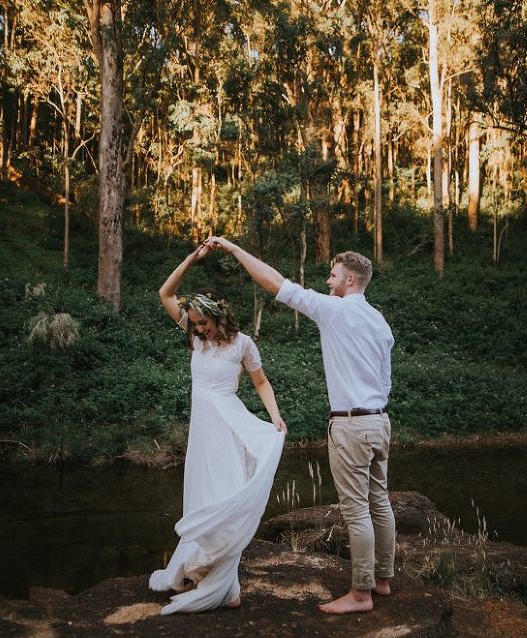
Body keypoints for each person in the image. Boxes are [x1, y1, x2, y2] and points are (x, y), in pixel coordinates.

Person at [205, 237, 394, 615]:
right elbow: (385, 380)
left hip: (351, 426)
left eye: (333, 275)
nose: (328, 282)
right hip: (379, 421)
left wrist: (236, 250)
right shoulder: (380, 321)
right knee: (380, 501)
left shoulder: (336, 311)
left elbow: (276, 284)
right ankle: (382, 580)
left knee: (356, 510)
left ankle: (361, 594)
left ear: (351, 281)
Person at [149, 244, 287, 615]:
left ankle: (228, 586)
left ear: (218, 315)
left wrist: (274, 417)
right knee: (201, 501)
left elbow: (261, 382)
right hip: (201, 437)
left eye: (201, 321)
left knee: (225, 504)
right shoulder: (195, 338)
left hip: (228, 431)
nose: (197, 327)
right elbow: (165, 293)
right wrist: (191, 259)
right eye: (193, 322)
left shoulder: (243, 344)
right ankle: (207, 574)